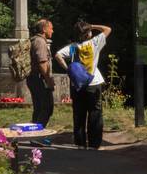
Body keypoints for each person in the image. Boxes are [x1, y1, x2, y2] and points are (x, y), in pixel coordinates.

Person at [54, 20, 111, 150]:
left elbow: (57, 55)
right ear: (88, 33)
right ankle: (94, 144)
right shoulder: (95, 43)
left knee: (79, 114)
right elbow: (107, 29)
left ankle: (79, 144)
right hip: (93, 83)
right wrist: (93, 25)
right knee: (95, 113)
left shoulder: (73, 47)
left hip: (77, 85)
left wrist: (68, 68)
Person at [26, 18, 55, 132]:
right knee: (46, 108)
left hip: (34, 79)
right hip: (40, 80)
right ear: (44, 29)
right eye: (51, 28)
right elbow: (42, 63)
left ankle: (34, 134)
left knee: (39, 108)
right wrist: (49, 81)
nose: (52, 31)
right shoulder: (40, 42)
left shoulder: (34, 40)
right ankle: (37, 134)